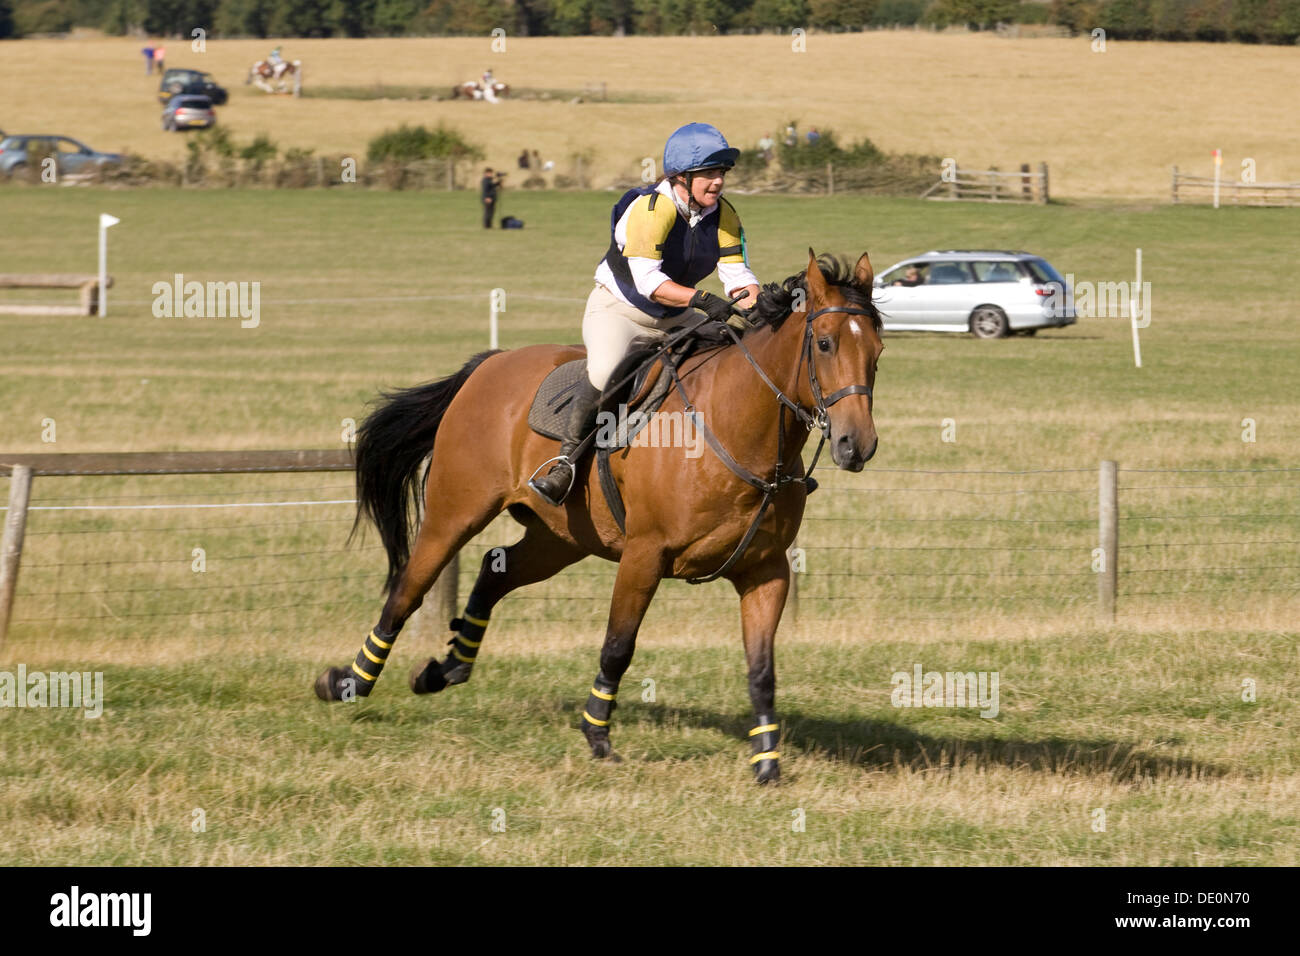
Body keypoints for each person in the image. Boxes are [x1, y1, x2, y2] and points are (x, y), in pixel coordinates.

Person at [528, 122, 760, 507]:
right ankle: (564, 462)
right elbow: (649, 283)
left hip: (677, 316)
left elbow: (737, 275)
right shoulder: (650, 209)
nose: (718, 182)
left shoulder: (725, 216)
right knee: (604, 372)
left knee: (731, 354)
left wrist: (757, 302)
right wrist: (702, 300)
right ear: (681, 177)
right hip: (621, 309)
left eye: (721, 173)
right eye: (709, 173)